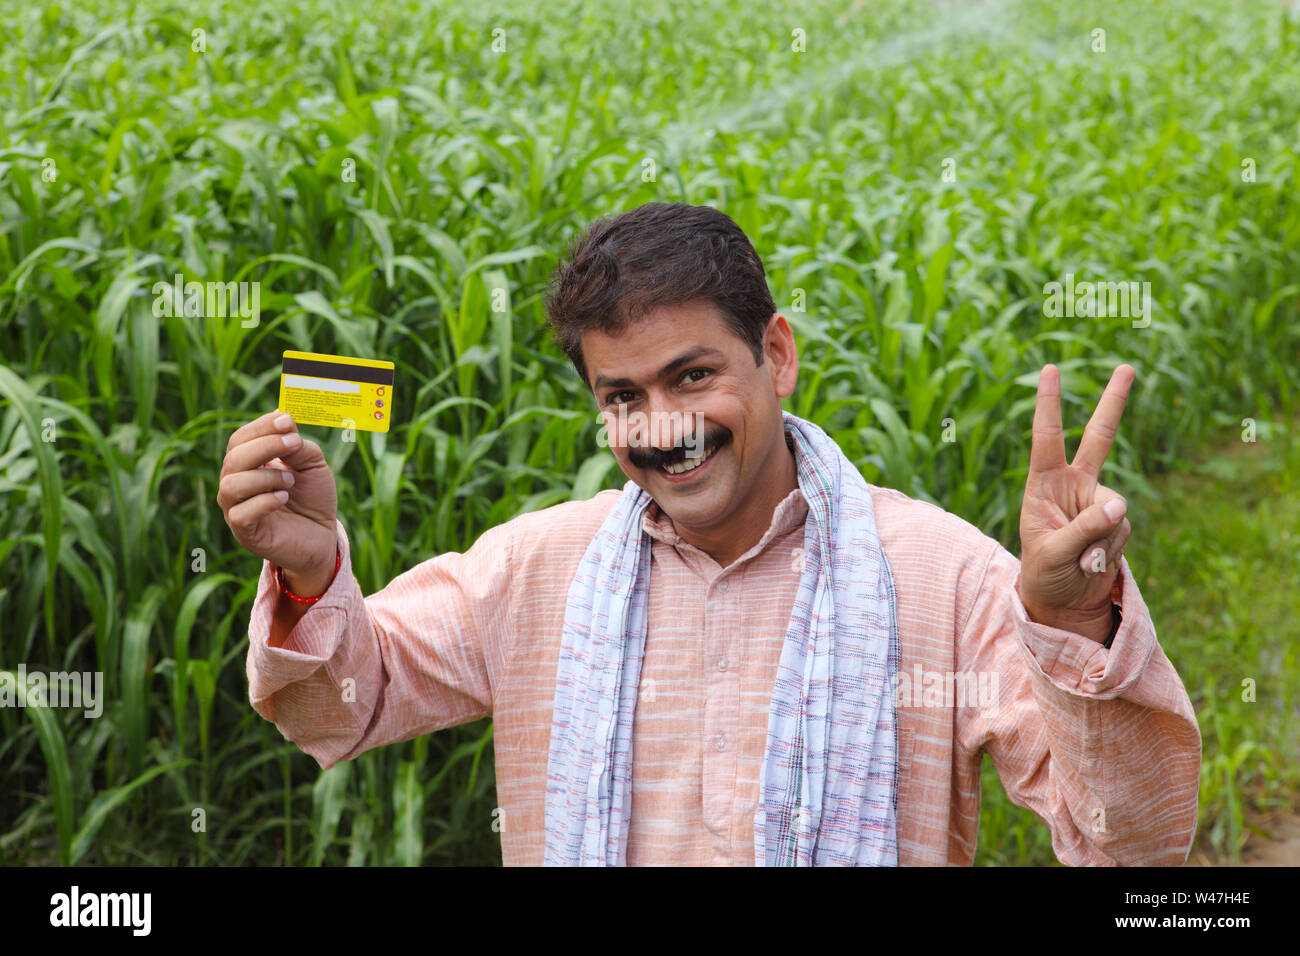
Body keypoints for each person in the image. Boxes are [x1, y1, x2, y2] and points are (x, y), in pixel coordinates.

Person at [220, 202, 1200, 866]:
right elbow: (341, 707)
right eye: (623, 395)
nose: (663, 425)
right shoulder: (534, 570)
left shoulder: (940, 576)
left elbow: (1128, 839)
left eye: (692, 376)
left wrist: (1071, 622)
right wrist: (311, 574)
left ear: (776, 353)